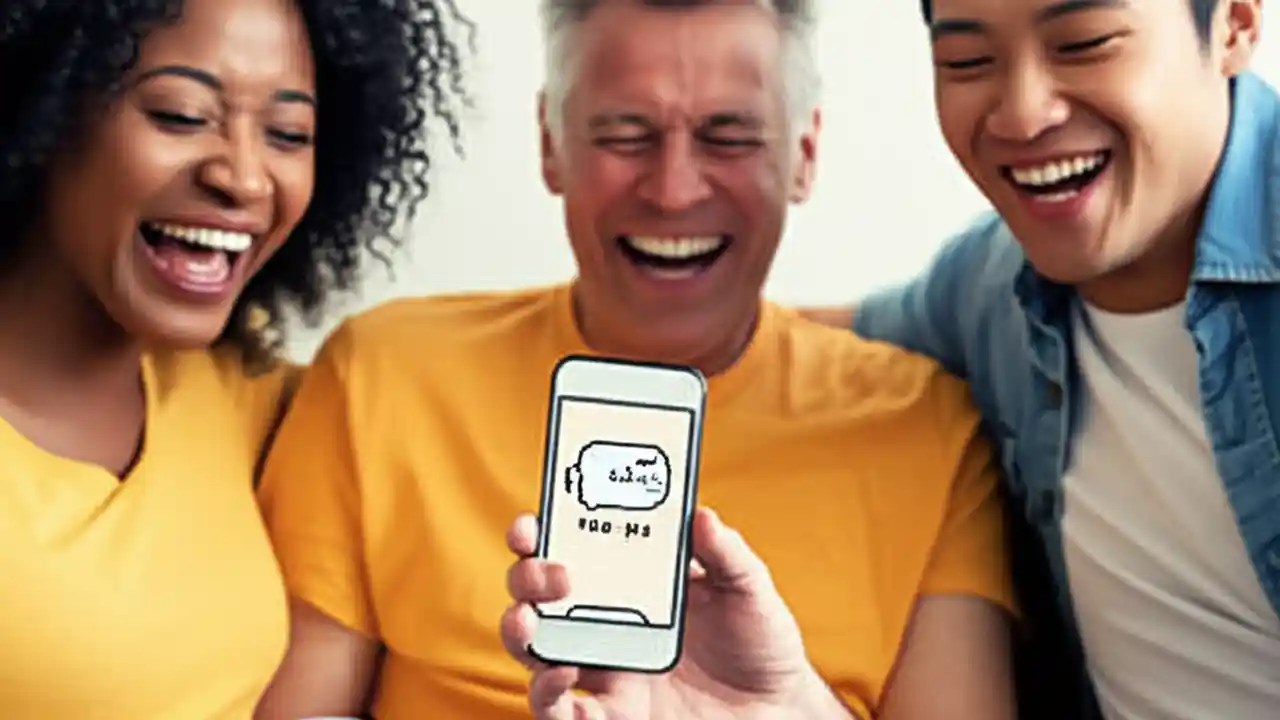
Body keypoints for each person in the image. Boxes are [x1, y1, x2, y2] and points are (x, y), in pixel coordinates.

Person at [253, 1, 1018, 718]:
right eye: (625, 136)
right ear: (551, 146)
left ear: (803, 157)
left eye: (728, 138)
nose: (674, 191)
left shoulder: (925, 428)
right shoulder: (386, 373)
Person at [803, 0, 1280, 717]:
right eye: (967, 62)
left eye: (1085, 44)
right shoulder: (992, 287)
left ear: (1235, 24)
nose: (1022, 115)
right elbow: (819, 342)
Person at [0, 0, 469, 716]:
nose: (246, 179)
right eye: (182, 116)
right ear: (45, 107)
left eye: (287, 133)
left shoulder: (273, 405)